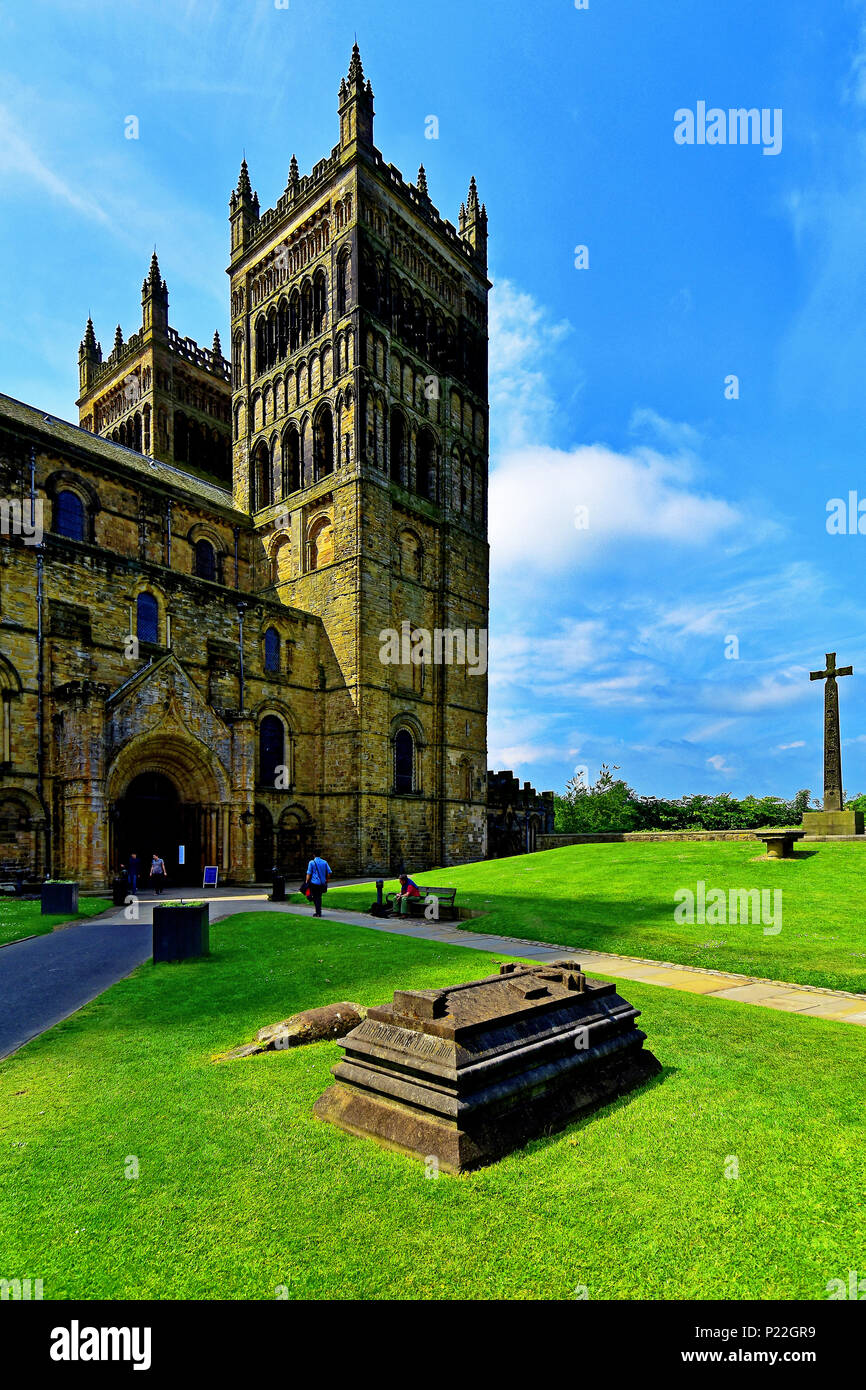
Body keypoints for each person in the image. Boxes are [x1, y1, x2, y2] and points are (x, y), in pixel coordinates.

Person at [304, 852, 332, 917]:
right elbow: (329, 872)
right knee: (318, 897)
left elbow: (309, 873)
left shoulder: (311, 862)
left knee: (311, 895)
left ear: (314, 855)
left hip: (314, 883)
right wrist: (327, 880)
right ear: (320, 855)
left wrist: (306, 881)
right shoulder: (324, 862)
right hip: (321, 883)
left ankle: (318, 912)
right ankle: (318, 911)